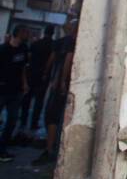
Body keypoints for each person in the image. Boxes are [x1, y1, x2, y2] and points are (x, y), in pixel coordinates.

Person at [34, 18, 77, 166]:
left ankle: (51, 147)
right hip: (60, 85)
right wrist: (62, 81)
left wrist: (51, 77)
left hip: (57, 84)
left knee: (52, 116)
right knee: (55, 116)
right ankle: (53, 148)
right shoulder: (70, 42)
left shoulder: (63, 42)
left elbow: (54, 61)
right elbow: (64, 61)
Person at [0, 26, 30, 162]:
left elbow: (23, 67)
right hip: (2, 89)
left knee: (12, 120)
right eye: (25, 32)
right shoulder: (3, 49)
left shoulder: (23, 49)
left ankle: (2, 149)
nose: (28, 34)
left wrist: (24, 83)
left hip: (16, 90)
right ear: (18, 33)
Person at [19, 23, 55, 137]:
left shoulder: (35, 43)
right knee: (39, 101)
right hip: (43, 77)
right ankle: (33, 124)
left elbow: (29, 58)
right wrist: (45, 72)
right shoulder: (52, 45)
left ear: (44, 32)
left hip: (31, 74)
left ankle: (23, 122)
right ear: (52, 33)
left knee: (27, 99)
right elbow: (51, 60)